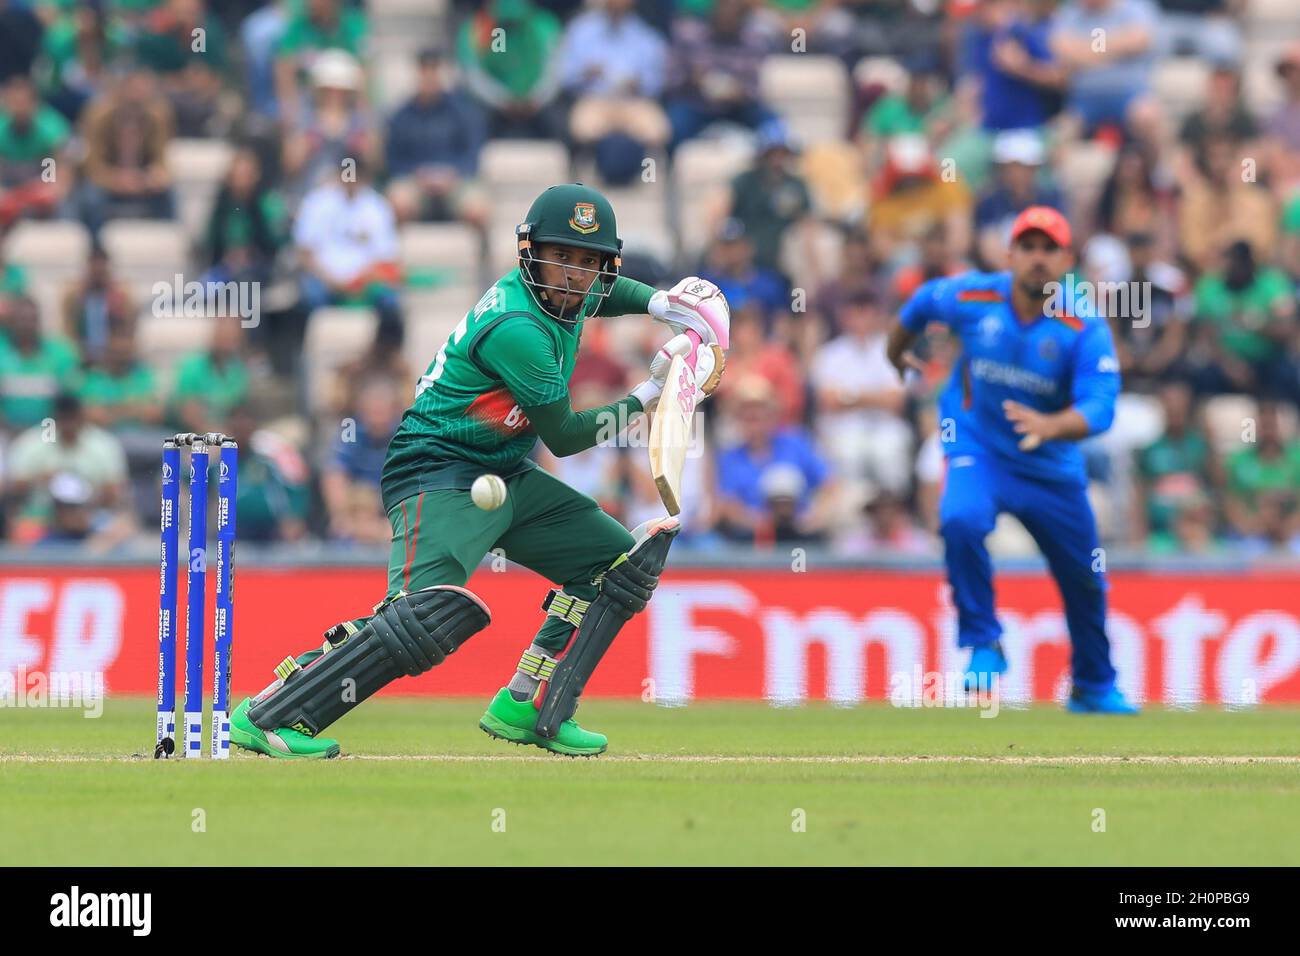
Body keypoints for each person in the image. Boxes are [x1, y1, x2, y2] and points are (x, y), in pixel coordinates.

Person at [226, 183, 730, 758]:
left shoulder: (563, 294)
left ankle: (529, 702)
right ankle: (269, 714)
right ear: (530, 253)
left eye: (587, 262)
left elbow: (603, 298)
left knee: (616, 565)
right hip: (435, 469)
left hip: (502, 469)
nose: (572, 274)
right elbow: (564, 438)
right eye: (560, 256)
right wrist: (648, 394)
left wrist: (662, 306)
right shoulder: (519, 329)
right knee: (417, 619)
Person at [886, 205, 1139, 714]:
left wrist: (1052, 426)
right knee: (958, 519)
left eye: (1050, 249)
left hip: (1050, 465)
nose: (1038, 259)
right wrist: (897, 353)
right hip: (977, 447)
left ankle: (1093, 684)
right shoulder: (974, 294)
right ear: (1010, 255)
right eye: (1029, 248)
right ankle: (984, 642)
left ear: (1067, 259)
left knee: (1084, 576)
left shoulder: (1082, 324)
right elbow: (918, 305)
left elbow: (1102, 406)